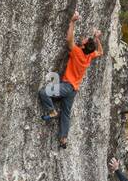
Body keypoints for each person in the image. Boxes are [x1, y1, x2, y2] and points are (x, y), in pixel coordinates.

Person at [38, 9, 102, 148]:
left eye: (84, 40)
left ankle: (51, 111)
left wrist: (72, 21)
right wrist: (97, 38)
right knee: (66, 114)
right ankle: (63, 139)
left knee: (44, 92)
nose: (83, 39)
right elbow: (100, 52)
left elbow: (69, 39)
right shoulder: (89, 56)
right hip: (73, 90)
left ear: (83, 46)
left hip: (67, 86)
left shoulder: (77, 52)